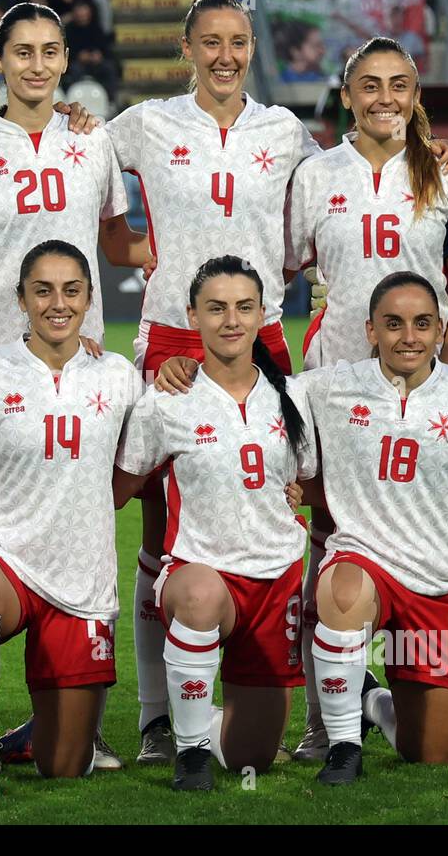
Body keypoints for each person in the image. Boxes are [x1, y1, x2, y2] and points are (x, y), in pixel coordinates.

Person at [101, 0, 448, 764]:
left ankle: (320, 701)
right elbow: (77, 174)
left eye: (239, 41)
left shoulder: (287, 133)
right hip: (172, 338)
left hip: (262, 339)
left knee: (289, 514)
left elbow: (306, 238)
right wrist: (135, 251)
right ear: (188, 49)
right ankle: (157, 719)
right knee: (163, 533)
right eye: (212, 42)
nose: (226, 55)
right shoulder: (145, 123)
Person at [292, 272, 448, 783]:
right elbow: (253, 391)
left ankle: (372, 699)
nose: (409, 337)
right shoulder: (330, 386)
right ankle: (343, 747)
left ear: (441, 329)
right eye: (393, 324)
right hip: (364, 562)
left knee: (432, 753)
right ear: (370, 330)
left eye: (422, 324)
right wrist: (184, 368)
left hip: (437, 584)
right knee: (343, 591)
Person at [0, 1, 135, 547]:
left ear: (65, 59)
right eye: (22, 52)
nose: (36, 65)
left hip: (77, 367)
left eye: (48, 52)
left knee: (74, 537)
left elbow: (117, 241)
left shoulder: (93, 141)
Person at [0, 240, 143, 800]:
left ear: (89, 298)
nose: (58, 303)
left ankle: (32, 736)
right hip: (4, 552)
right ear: (21, 298)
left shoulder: (119, 376)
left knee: (65, 766)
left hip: (83, 576)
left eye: (71, 290)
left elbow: (139, 467)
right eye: (43, 290)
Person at [113, 256, 316, 790]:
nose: (231, 320)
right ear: (192, 316)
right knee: (200, 596)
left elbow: (315, 482)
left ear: (262, 314)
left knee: (254, 757)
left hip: (275, 582)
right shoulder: (167, 400)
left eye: (244, 307)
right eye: (217, 308)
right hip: (199, 573)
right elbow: (118, 487)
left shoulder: (294, 396)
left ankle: (206, 723)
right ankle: (191, 752)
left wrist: (298, 492)